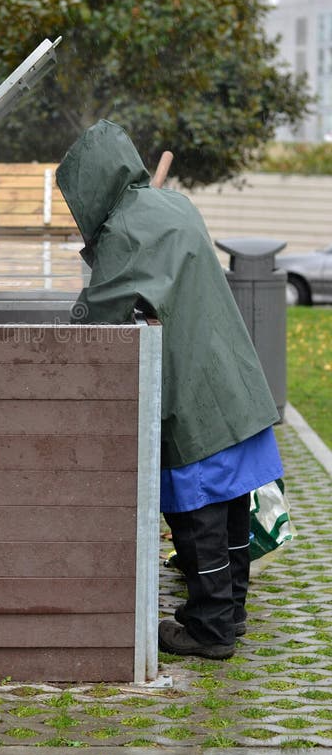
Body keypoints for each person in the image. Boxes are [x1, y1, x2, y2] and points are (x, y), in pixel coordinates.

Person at [56, 119, 283, 660]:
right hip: (235, 379)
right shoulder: (173, 205)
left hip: (193, 396)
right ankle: (231, 612)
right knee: (231, 505)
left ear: (89, 189)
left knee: (197, 513)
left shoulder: (122, 233)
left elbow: (99, 319)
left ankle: (210, 629)